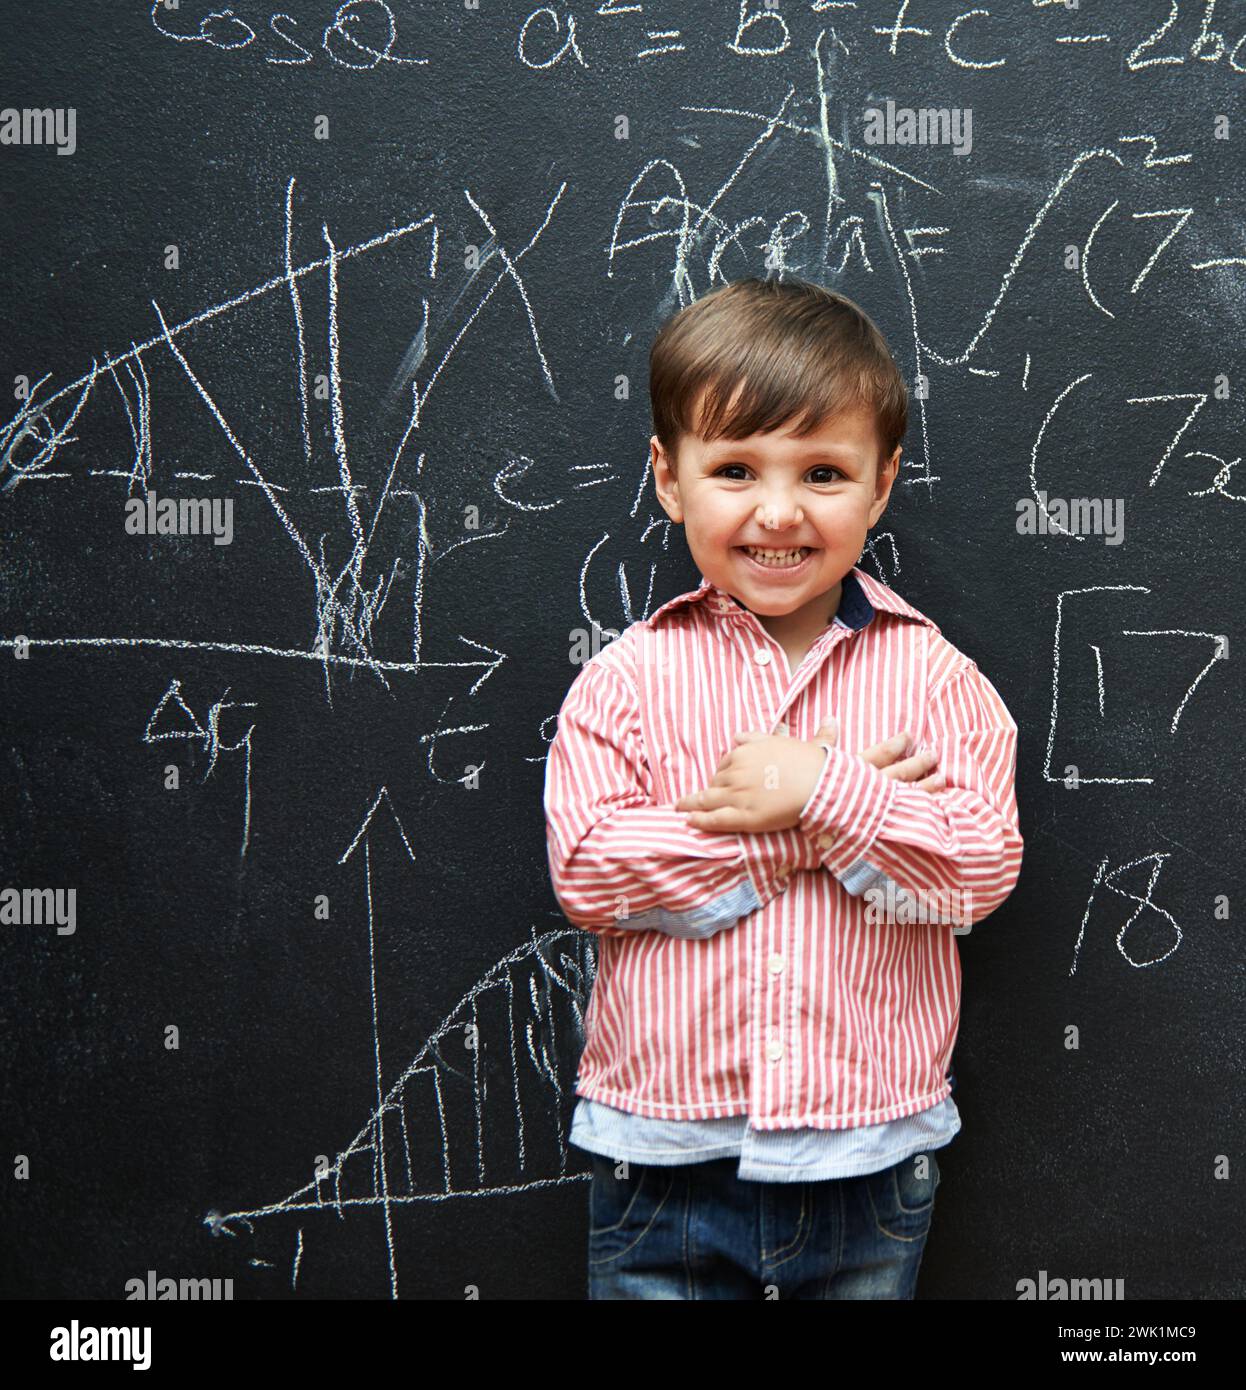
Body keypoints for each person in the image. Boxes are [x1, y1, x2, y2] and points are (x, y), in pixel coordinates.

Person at [543, 276, 1023, 1299]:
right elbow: (592, 875)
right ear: (668, 480)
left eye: (820, 471)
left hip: (867, 1160)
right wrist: (815, 825)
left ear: (881, 482)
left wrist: (822, 790)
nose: (776, 511)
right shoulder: (624, 679)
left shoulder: (937, 681)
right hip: (656, 1161)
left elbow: (974, 872)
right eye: (732, 468)